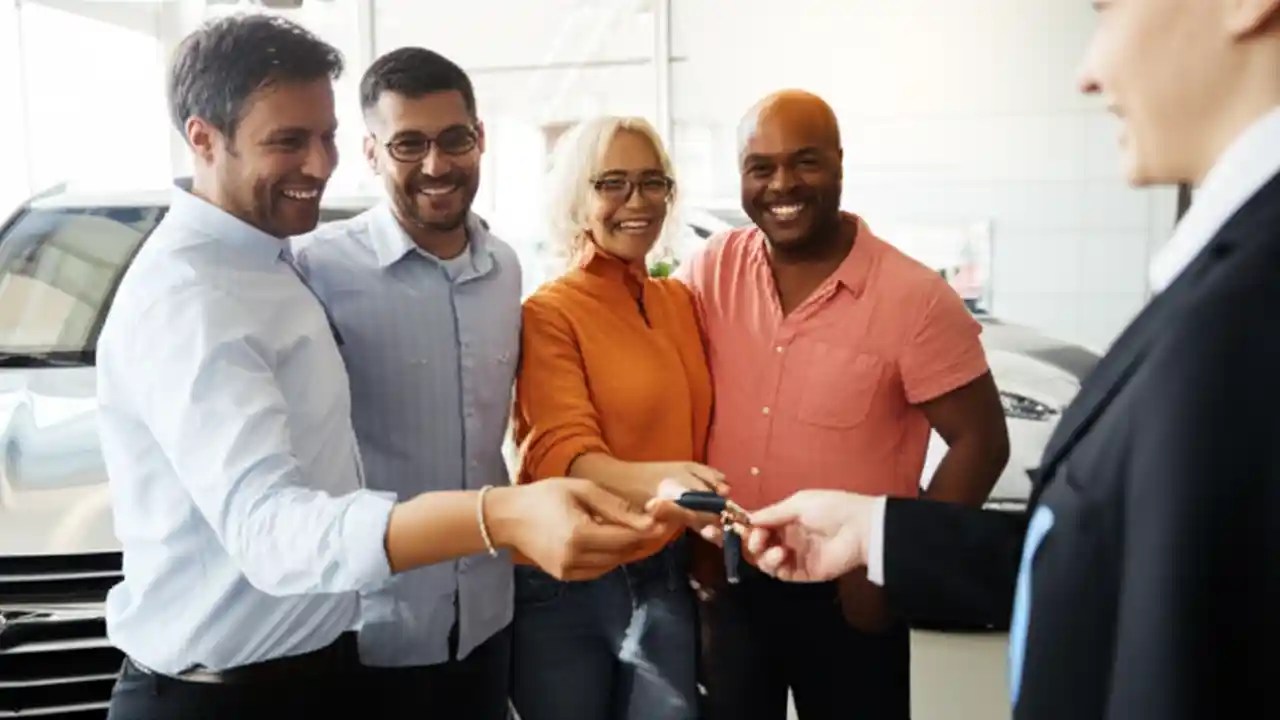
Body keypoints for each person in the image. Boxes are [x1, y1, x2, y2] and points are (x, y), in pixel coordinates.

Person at [96, 17, 671, 720]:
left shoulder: (271, 262)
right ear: (203, 138)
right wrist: (502, 515)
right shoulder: (199, 294)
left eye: (324, 137)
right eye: (287, 141)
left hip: (363, 656)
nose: (317, 164)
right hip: (232, 690)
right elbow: (270, 531)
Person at [738, 1, 1280, 718]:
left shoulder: (1253, 290)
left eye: (1107, 11)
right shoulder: (1224, 263)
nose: (1087, 74)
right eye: (761, 166)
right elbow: (1124, 554)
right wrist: (879, 533)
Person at [676, 89, 1011, 720]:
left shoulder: (914, 297)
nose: (782, 185)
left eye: (805, 162)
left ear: (838, 164)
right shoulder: (713, 267)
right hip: (733, 578)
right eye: (761, 167)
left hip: (850, 594)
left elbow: (983, 441)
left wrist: (898, 566)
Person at [288, 47, 517, 719]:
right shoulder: (317, 270)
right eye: (408, 144)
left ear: (481, 139)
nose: (436, 165)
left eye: (455, 140)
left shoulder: (504, 268)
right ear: (371, 152)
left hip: (486, 615)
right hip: (373, 629)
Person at [509, 115, 725, 720]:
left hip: (664, 567)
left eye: (652, 182)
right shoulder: (549, 312)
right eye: (613, 183)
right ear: (578, 198)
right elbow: (562, 455)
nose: (638, 201)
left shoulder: (678, 301)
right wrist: (671, 482)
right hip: (571, 577)